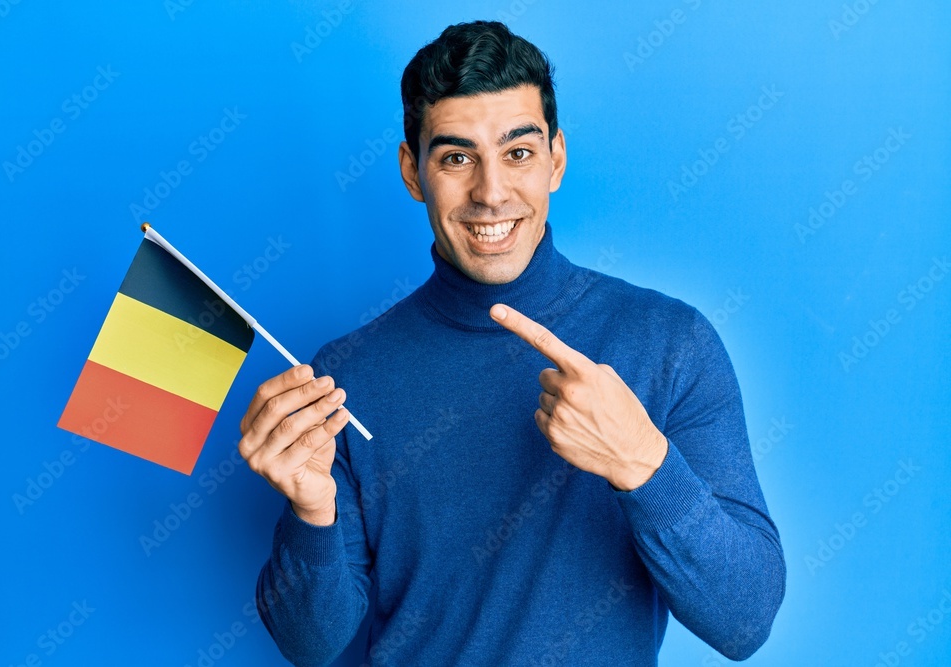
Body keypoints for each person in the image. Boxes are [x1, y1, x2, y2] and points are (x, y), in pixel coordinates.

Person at [239, 19, 785, 667]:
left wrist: (644, 463)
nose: (491, 192)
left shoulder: (671, 342)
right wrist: (311, 514)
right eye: (456, 157)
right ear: (413, 171)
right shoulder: (341, 375)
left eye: (518, 152)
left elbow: (745, 619)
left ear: (556, 158)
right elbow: (311, 642)